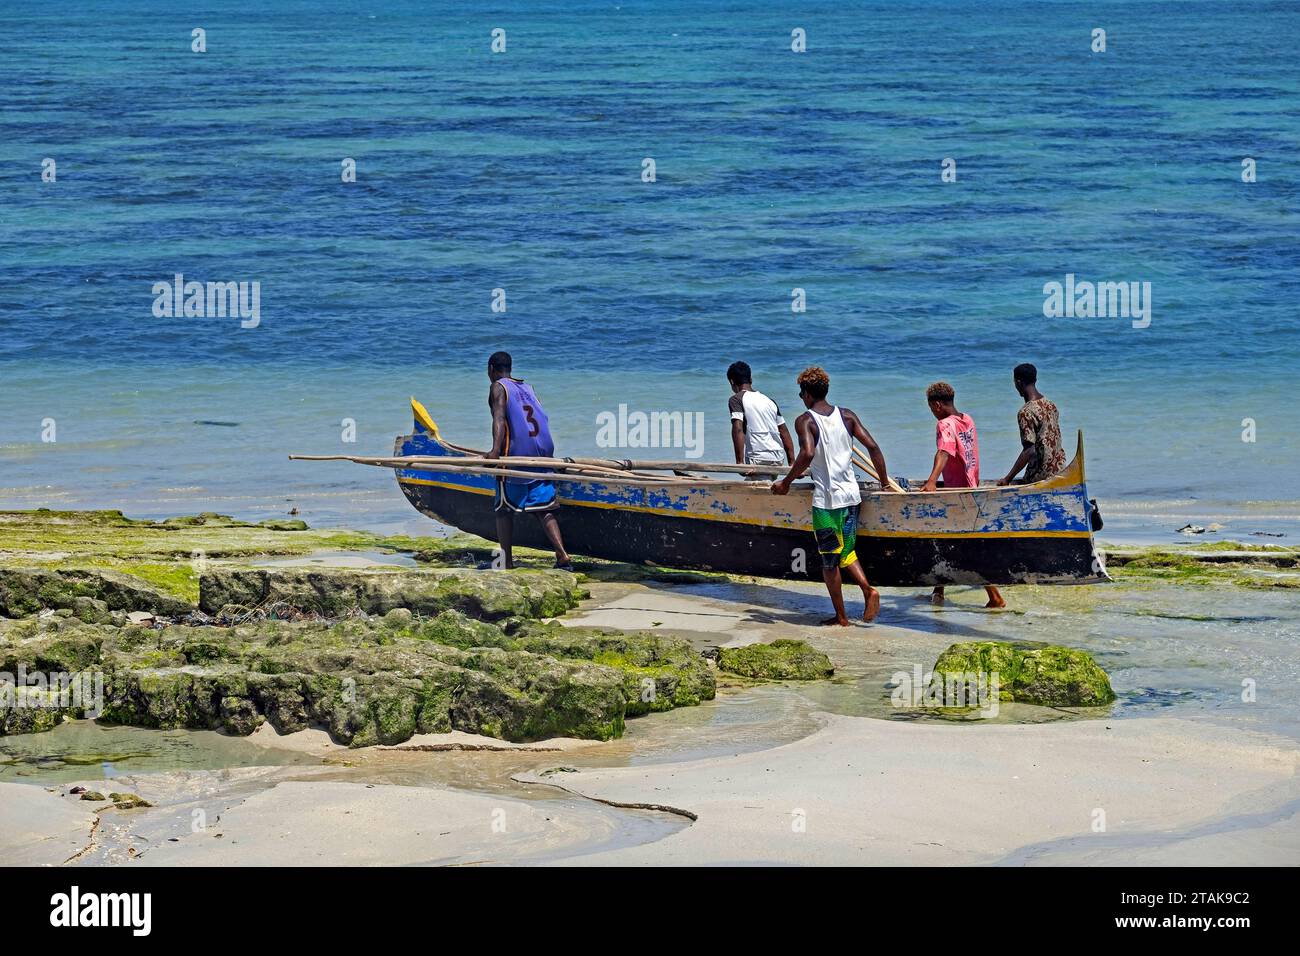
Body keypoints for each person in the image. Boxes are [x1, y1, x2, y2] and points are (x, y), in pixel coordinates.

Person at [771, 366, 889, 626]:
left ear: (807, 394)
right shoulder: (847, 415)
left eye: (801, 393)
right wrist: (884, 482)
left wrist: (786, 482)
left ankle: (842, 617)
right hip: (851, 496)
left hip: (827, 502)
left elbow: (808, 454)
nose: (801, 398)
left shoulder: (806, 420)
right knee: (847, 552)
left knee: (829, 561)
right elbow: (873, 447)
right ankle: (869, 590)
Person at [919, 381, 1005, 609]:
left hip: (956, 493)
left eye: (931, 409)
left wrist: (930, 481)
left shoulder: (944, 424)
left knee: (960, 545)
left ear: (937, 405)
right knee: (948, 541)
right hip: (971, 487)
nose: (932, 414)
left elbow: (944, 451)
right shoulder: (967, 419)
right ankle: (938, 592)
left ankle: (995, 596)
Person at [484, 351, 573, 571]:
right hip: (543, 453)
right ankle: (562, 556)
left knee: (503, 508)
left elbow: (500, 419)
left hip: (518, 454)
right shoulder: (528, 388)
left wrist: (495, 452)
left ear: (491, 369)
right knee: (544, 508)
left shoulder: (498, 386)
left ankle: (506, 561)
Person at [997, 363, 1067, 486]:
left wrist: (1007, 479)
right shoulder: (1051, 405)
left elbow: (1029, 451)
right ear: (1035, 380)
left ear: (1019, 383)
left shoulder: (1026, 412)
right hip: (1060, 469)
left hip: (1040, 476)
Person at [727, 361, 795, 467]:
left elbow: (738, 429)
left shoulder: (736, 399)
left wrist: (739, 462)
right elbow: (783, 431)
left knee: (754, 483)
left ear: (732, 382)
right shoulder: (769, 401)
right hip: (778, 458)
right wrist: (792, 462)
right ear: (750, 379)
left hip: (757, 457)